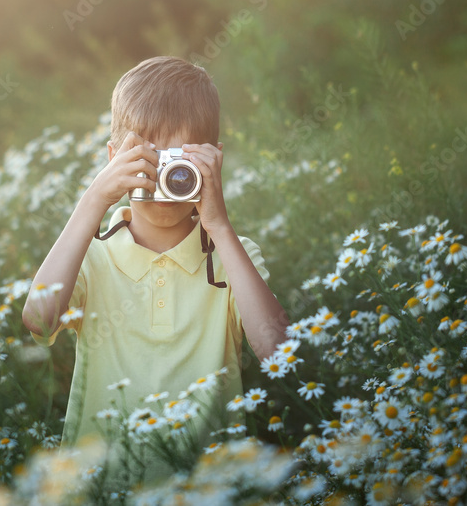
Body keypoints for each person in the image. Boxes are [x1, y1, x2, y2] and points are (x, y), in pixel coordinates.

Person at [21, 55, 288, 482]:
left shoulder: (232, 257)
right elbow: (38, 320)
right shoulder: (91, 258)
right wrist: (94, 200)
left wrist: (218, 223)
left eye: (179, 163)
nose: (164, 179)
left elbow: (278, 352)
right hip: (104, 483)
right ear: (114, 160)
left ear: (213, 162)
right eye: (150, 161)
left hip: (212, 485)